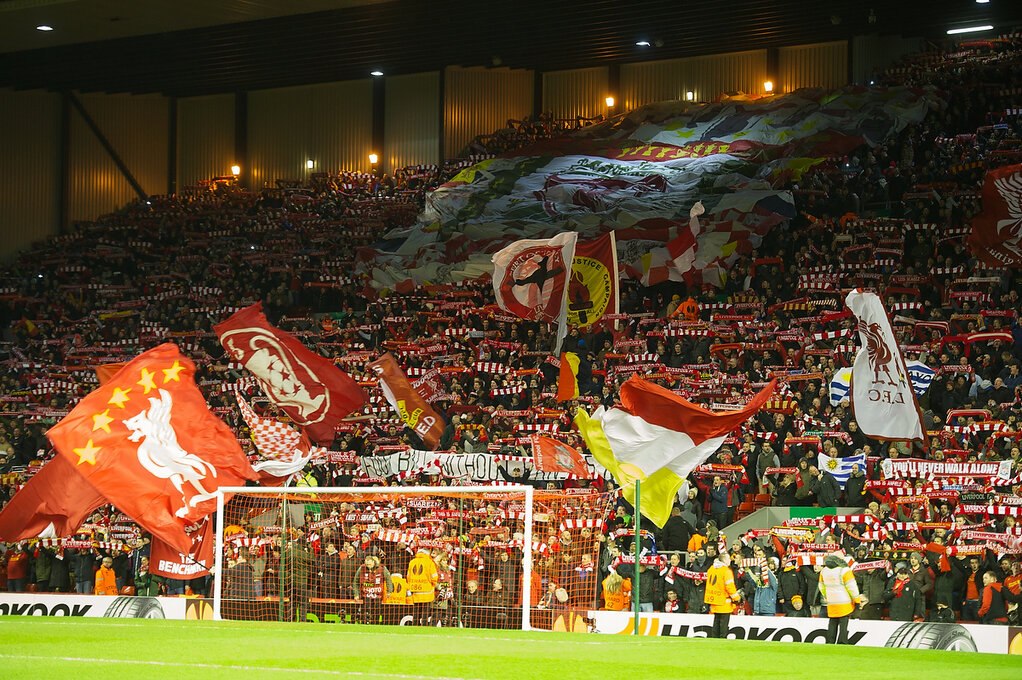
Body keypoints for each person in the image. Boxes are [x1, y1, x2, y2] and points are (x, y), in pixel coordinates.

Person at [818, 553, 863, 644]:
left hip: (831, 602)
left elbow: (821, 586)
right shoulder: (845, 570)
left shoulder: (824, 571)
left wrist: (827, 596)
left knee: (832, 621)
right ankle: (842, 642)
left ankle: (830, 642)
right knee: (843, 623)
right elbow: (852, 587)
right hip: (844, 602)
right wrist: (857, 600)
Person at [704, 551, 741, 639]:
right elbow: (730, 587)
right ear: (724, 560)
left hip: (713, 600)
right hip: (724, 602)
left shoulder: (711, 569)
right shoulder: (726, 571)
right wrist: (737, 598)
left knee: (716, 623)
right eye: (728, 558)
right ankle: (722, 641)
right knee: (723, 625)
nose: (730, 560)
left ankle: (714, 641)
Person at [407, 548, 439, 624]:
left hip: (415, 591)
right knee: (425, 614)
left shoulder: (412, 562)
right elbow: (434, 577)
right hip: (427, 592)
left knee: (416, 613)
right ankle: (424, 626)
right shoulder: (429, 562)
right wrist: (434, 585)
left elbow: (408, 576)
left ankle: (415, 626)